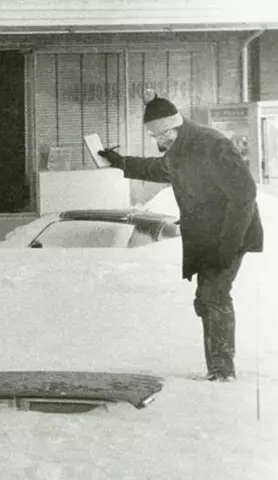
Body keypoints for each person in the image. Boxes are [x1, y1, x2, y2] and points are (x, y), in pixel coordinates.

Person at [98, 91, 263, 382]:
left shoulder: (212, 144)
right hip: (205, 235)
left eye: (162, 135)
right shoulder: (179, 149)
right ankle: (219, 367)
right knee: (205, 298)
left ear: (176, 125)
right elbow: (159, 168)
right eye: (154, 137)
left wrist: (229, 244)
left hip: (229, 233)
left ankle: (222, 371)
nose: (159, 142)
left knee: (214, 295)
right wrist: (121, 162)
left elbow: (244, 194)